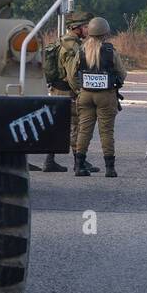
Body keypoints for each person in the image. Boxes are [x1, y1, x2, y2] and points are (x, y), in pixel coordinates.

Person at [65, 17, 126, 178]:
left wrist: (79, 90)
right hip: (106, 96)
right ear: (105, 33)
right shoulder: (109, 51)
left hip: (85, 95)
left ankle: (79, 167)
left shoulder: (81, 50)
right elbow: (122, 73)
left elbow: (72, 75)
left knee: (84, 131)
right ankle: (110, 169)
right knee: (106, 132)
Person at [40, 9, 92, 173]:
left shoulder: (62, 40)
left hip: (57, 90)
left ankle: (49, 161)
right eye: (86, 26)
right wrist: (80, 91)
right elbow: (72, 74)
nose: (89, 30)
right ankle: (79, 163)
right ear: (78, 27)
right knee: (76, 124)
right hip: (67, 91)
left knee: (57, 125)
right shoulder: (72, 46)